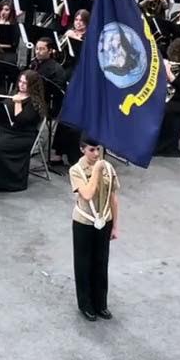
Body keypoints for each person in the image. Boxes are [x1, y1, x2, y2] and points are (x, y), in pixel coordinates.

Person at [69, 138, 118, 322]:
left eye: (98, 149)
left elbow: (113, 197)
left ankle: (101, 303)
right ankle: (86, 304)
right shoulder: (76, 170)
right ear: (82, 149)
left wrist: (116, 225)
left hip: (104, 220)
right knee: (83, 264)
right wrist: (97, 171)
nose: (96, 154)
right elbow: (87, 193)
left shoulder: (109, 168)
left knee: (101, 262)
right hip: (84, 222)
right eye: (91, 150)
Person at [153, 40, 180, 158]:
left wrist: (167, 70)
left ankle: (165, 146)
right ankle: (154, 140)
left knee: (163, 110)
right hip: (175, 97)